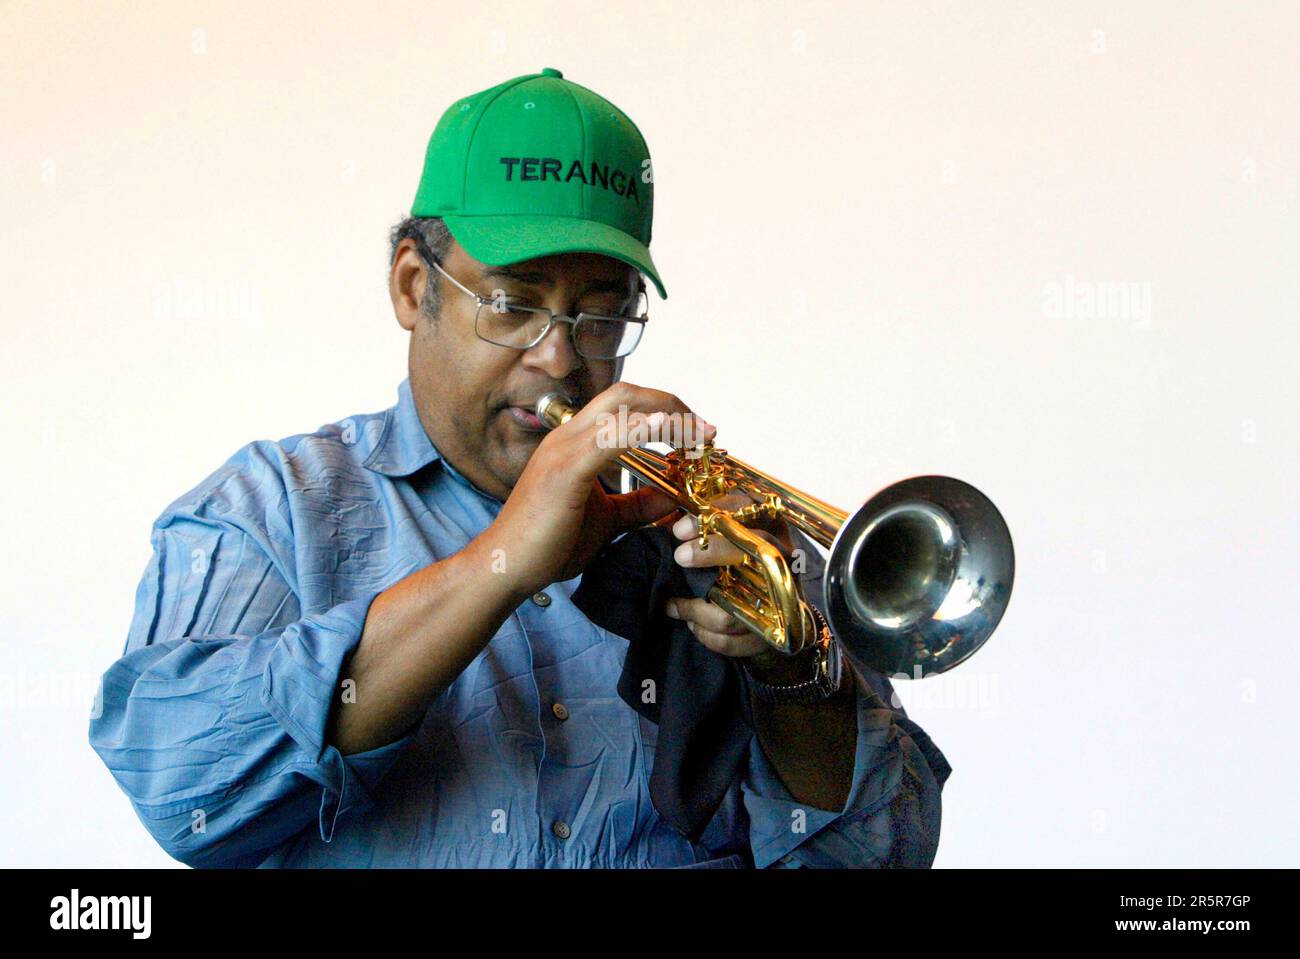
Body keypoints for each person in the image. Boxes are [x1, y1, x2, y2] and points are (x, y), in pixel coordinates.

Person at [89, 68, 949, 868]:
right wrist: (501, 562)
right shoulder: (270, 509)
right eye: (513, 302)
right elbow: (181, 788)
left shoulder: (711, 529)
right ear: (409, 285)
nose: (560, 358)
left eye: (600, 316)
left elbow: (889, 856)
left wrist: (795, 681)